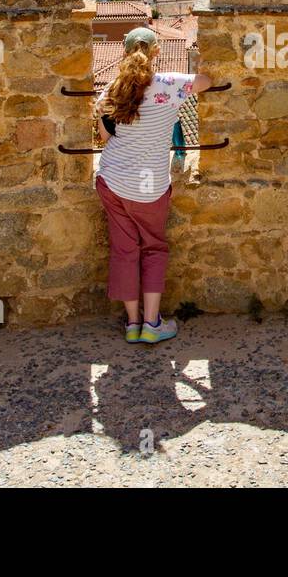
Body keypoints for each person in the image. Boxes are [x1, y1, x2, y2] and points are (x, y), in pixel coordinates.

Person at [96, 27, 213, 344]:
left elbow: (105, 137)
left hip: (113, 182)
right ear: (157, 52)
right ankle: (152, 323)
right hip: (150, 188)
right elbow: (206, 82)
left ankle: (132, 324)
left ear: (124, 52)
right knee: (154, 248)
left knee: (124, 250)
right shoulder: (170, 85)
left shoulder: (112, 90)